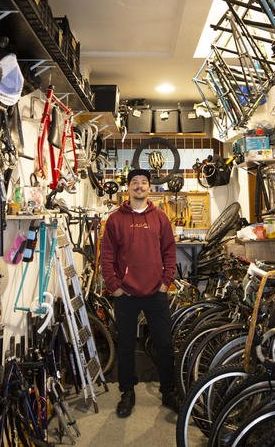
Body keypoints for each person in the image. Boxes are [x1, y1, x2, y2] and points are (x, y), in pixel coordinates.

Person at [99, 168, 177, 418]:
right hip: (126, 295)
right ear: (128, 187)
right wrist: (115, 286)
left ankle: (169, 391)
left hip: (156, 292)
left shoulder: (161, 218)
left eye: (144, 182)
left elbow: (170, 252)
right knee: (125, 346)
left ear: (150, 188)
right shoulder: (115, 219)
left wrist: (166, 282)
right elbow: (107, 256)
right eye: (135, 182)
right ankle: (127, 393)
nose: (140, 186)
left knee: (164, 344)